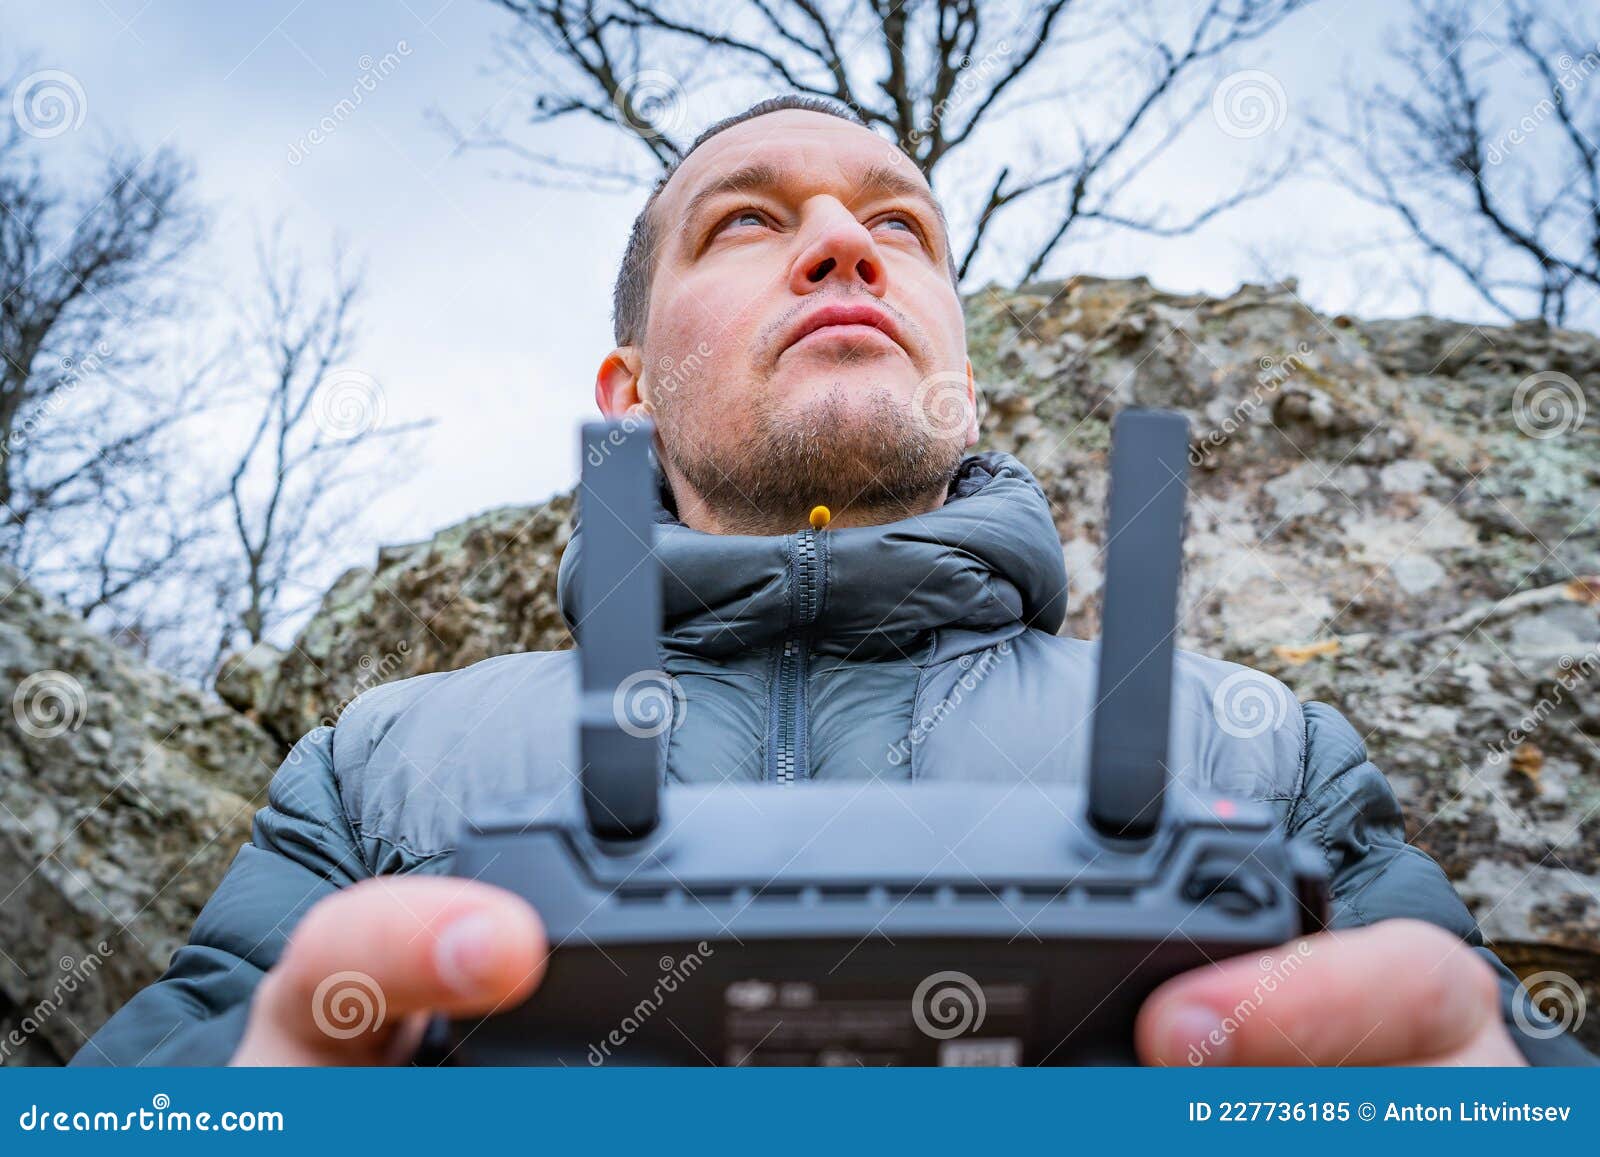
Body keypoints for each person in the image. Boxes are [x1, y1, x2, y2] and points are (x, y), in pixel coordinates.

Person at [73, 94, 1593, 1068]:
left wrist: (1504, 1108)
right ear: (625, 396)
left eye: (899, 226)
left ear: (966, 372)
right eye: (747, 221)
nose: (839, 246)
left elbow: (1508, 1068)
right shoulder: (381, 765)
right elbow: (125, 1103)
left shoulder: (1265, 752)